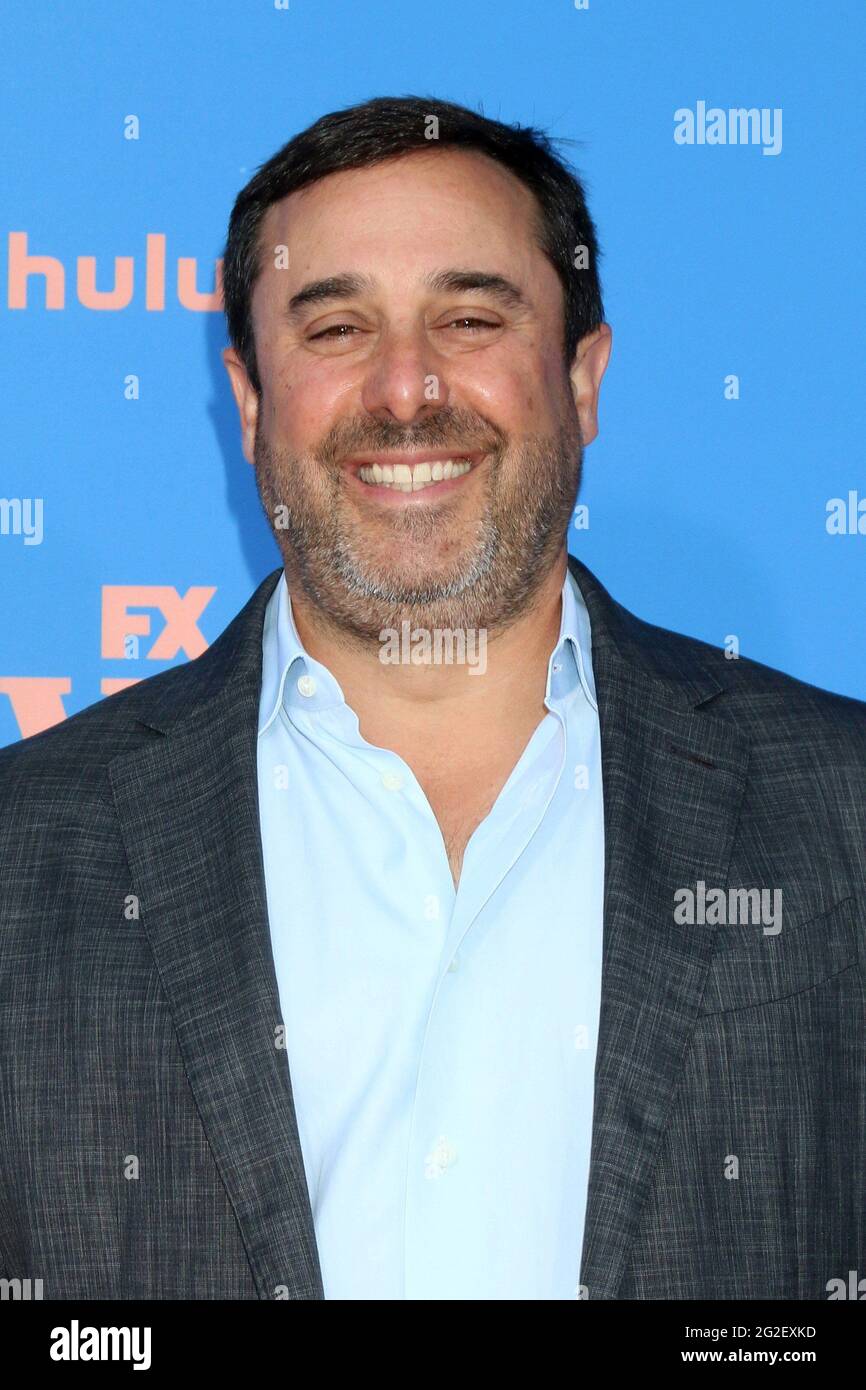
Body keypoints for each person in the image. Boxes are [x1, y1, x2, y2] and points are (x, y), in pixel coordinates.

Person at [0, 95, 863, 1301]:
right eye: (337, 326)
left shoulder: (841, 812)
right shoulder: (23, 853)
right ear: (248, 403)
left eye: (467, 317)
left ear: (581, 378)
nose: (405, 390)